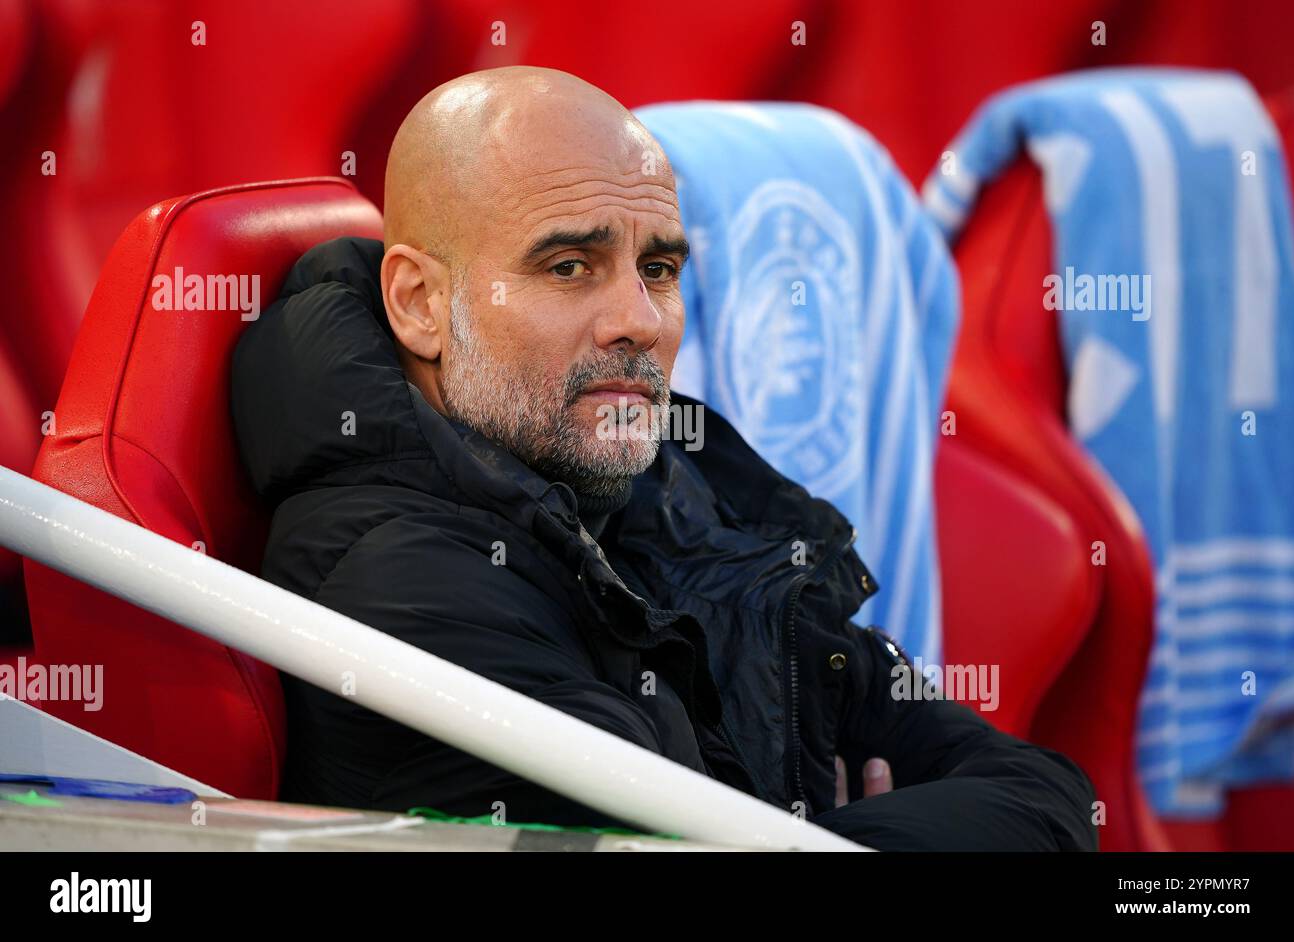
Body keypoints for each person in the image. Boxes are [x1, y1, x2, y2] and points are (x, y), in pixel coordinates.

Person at [230, 65, 1097, 850]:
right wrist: (821, 819)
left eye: (659, 267)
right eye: (569, 266)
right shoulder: (402, 586)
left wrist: (823, 835)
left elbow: (1046, 795)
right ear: (420, 304)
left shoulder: (659, 488)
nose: (641, 321)